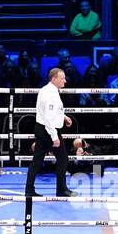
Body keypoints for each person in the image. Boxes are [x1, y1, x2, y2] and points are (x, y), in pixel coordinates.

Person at [27, 67, 74, 198]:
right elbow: (48, 116)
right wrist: (54, 136)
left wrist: (64, 117)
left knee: (37, 160)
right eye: (62, 78)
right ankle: (61, 190)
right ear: (54, 79)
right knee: (63, 159)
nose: (65, 81)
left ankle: (29, 190)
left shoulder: (47, 90)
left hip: (43, 128)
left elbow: (50, 111)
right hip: (49, 130)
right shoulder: (50, 93)